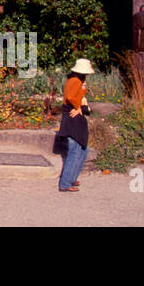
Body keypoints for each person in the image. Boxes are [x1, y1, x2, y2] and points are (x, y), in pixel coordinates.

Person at [56, 58, 94, 192]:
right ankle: (66, 183)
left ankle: (71, 178)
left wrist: (80, 107)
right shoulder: (75, 81)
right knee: (75, 150)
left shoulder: (78, 81)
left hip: (76, 119)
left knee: (82, 150)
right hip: (72, 120)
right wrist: (78, 106)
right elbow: (72, 98)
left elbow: (78, 98)